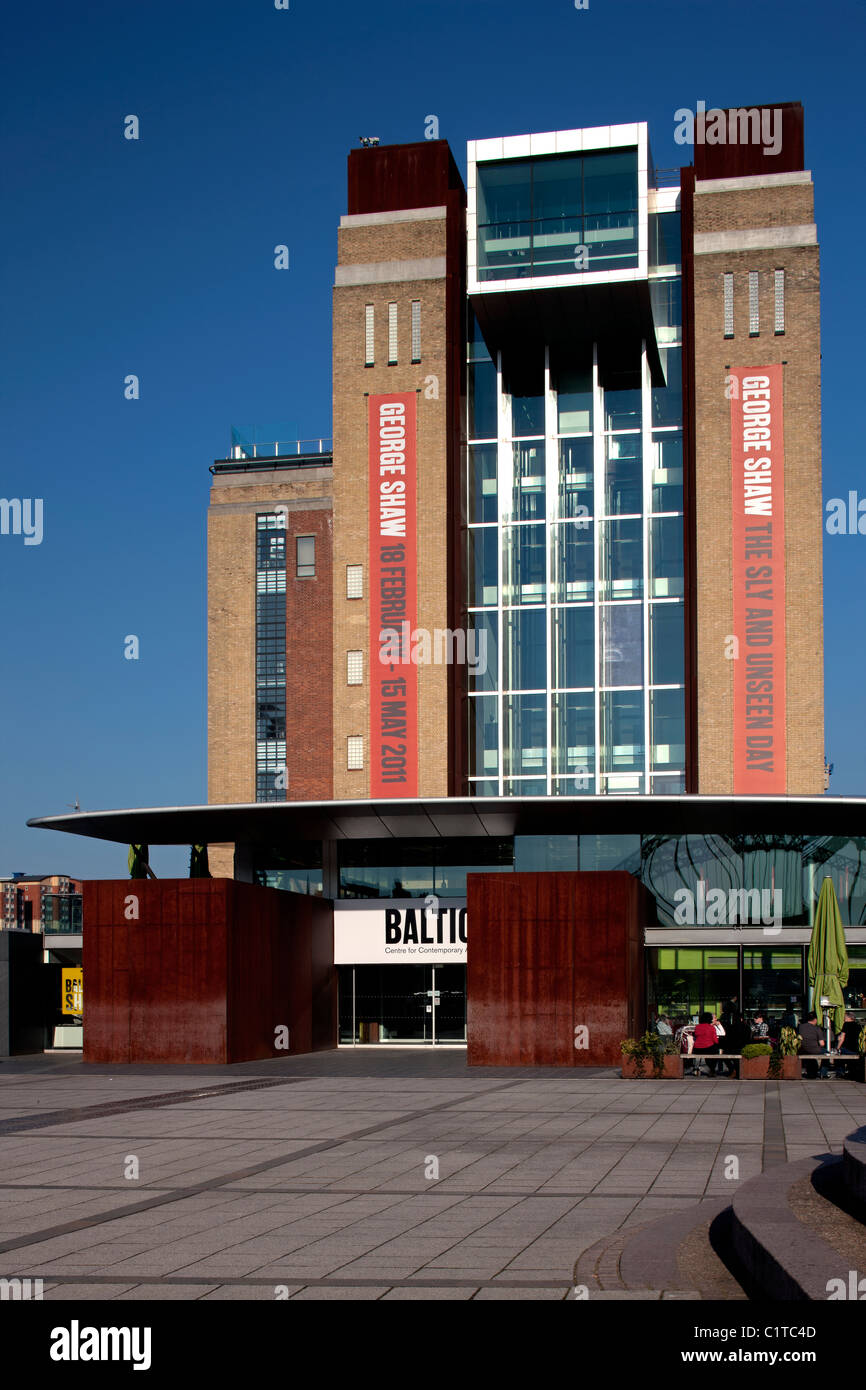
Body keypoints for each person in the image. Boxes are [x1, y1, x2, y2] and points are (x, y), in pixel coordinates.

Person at [798, 1011, 830, 1079]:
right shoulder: (817, 1028)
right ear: (815, 1019)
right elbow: (822, 1044)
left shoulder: (800, 1027)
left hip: (802, 1048)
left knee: (810, 1057)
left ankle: (811, 1073)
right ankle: (823, 1073)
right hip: (814, 1049)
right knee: (827, 1054)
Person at [691, 1012, 721, 1077]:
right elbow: (715, 1040)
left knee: (710, 1049)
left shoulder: (697, 1027)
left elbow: (696, 1035)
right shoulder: (711, 1027)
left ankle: (700, 1069)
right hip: (708, 1048)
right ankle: (712, 1070)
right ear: (710, 1019)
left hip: (697, 1049)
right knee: (715, 1051)